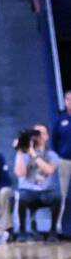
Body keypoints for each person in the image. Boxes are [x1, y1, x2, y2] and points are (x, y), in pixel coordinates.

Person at [14, 126, 61, 242]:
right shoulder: (24, 154)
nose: (38, 136)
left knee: (56, 197)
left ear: (47, 137)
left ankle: (53, 230)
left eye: (41, 133)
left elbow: (49, 170)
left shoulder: (52, 154)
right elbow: (20, 173)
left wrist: (33, 154)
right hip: (28, 191)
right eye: (36, 133)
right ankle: (22, 230)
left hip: (46, 191)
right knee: (22, 198)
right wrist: (20, 151)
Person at [50, 89, 71, 227]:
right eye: (69, 99)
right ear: (65, 101)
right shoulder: (61, 120)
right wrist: (58, 158)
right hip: (65, 161)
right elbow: (54, 140)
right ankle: (61, 227)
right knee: (63, 194)